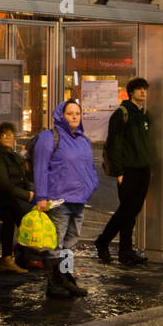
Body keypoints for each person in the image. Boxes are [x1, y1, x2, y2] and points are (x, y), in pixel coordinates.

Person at [33, 98, 99, 298]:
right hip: (58, 200)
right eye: (70, 113)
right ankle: (54, 283)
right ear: (61, 115)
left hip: (78, 199)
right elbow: (41, 168)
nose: (74, 117)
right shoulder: (49, 137)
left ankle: (66, 278)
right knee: (56, 242)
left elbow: (89, 167)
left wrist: (90, 186)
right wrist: (42, 196)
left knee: (71, 242)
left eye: (77, 114)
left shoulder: (83, 139)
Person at [96, 77, 153, 266]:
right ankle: (104, 241)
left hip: (143, 169)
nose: (143, 92)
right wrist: (119, 171)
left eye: (144, 89)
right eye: (139, 89)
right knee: (126, 210)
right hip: (128, 170)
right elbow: (114, 144)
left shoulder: (143, 115)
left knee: (132, 212)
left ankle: (125, 251)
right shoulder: (122, 114)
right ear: (131, 92)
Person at [0, 122, 33, 274]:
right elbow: (4, 185)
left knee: (11, 211)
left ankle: (11, 257)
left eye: (11, 135)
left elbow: (24, 179)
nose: (8, 138)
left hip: (13, 200)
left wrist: (31, 192)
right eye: (4, 135)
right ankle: (29, 249)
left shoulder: (15, 156)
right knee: (16, 210)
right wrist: (27, 195)